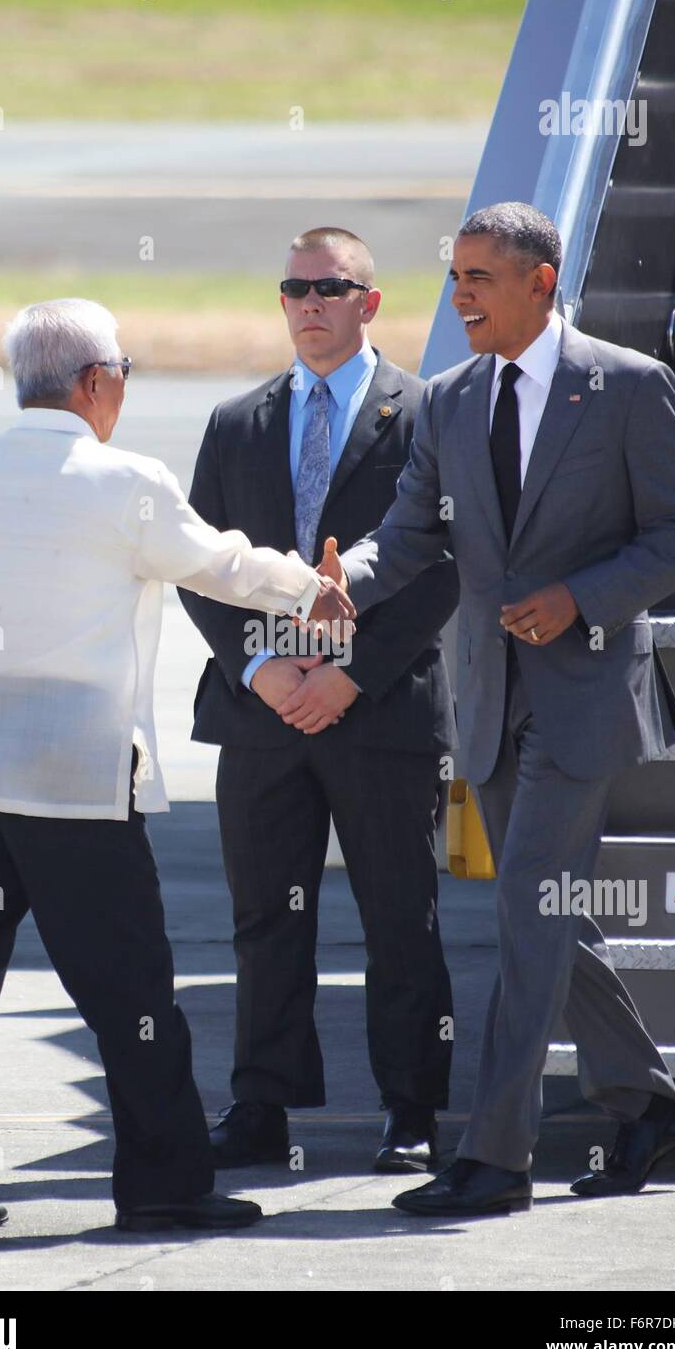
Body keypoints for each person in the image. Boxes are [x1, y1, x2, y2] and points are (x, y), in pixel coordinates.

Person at [0, 297, 351, 1235]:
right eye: (124, 371)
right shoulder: (123, 480)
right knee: (129, 993)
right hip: (73, 781)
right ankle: (167, 1185)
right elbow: (220, 566)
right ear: (95, 382)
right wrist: (312, 588)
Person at [324, 202, 675, 1216]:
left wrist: (578, 596)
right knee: (543, 913)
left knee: (523, 912)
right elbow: (406, 537)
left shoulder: (628, 386)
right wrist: (336, 580)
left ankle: (496, 1158)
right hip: (487, 697)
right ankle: (642, 1104)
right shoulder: (449, 400)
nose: (457, 296)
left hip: (583, 697)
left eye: (477, 278)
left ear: (538, 283)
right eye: (452, 277)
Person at [179, 228, 459, 1173]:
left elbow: (443, 566)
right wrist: (262, 671)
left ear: (369, 303)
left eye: (329, 288)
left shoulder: (427, 410)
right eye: (293, 287)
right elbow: (198, 567)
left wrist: (349, 676)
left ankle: (412, 1109)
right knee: (266, 917)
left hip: (377, 706)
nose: (308, 303)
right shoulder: (237, 421)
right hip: (260, 712)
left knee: (399, 914)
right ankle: (261, 1105)